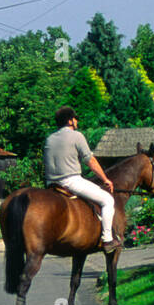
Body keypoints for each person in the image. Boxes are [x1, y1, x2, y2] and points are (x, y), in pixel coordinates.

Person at [43, 106, 121, 253]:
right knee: (108, 200)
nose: (77, 121)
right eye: (75, 118)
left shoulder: (49, 138)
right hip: (70, 181)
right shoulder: (77, 136)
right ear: (70, 121)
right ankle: (108, 240)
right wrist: (105, 179)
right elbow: (90, 160)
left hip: (50, 184)